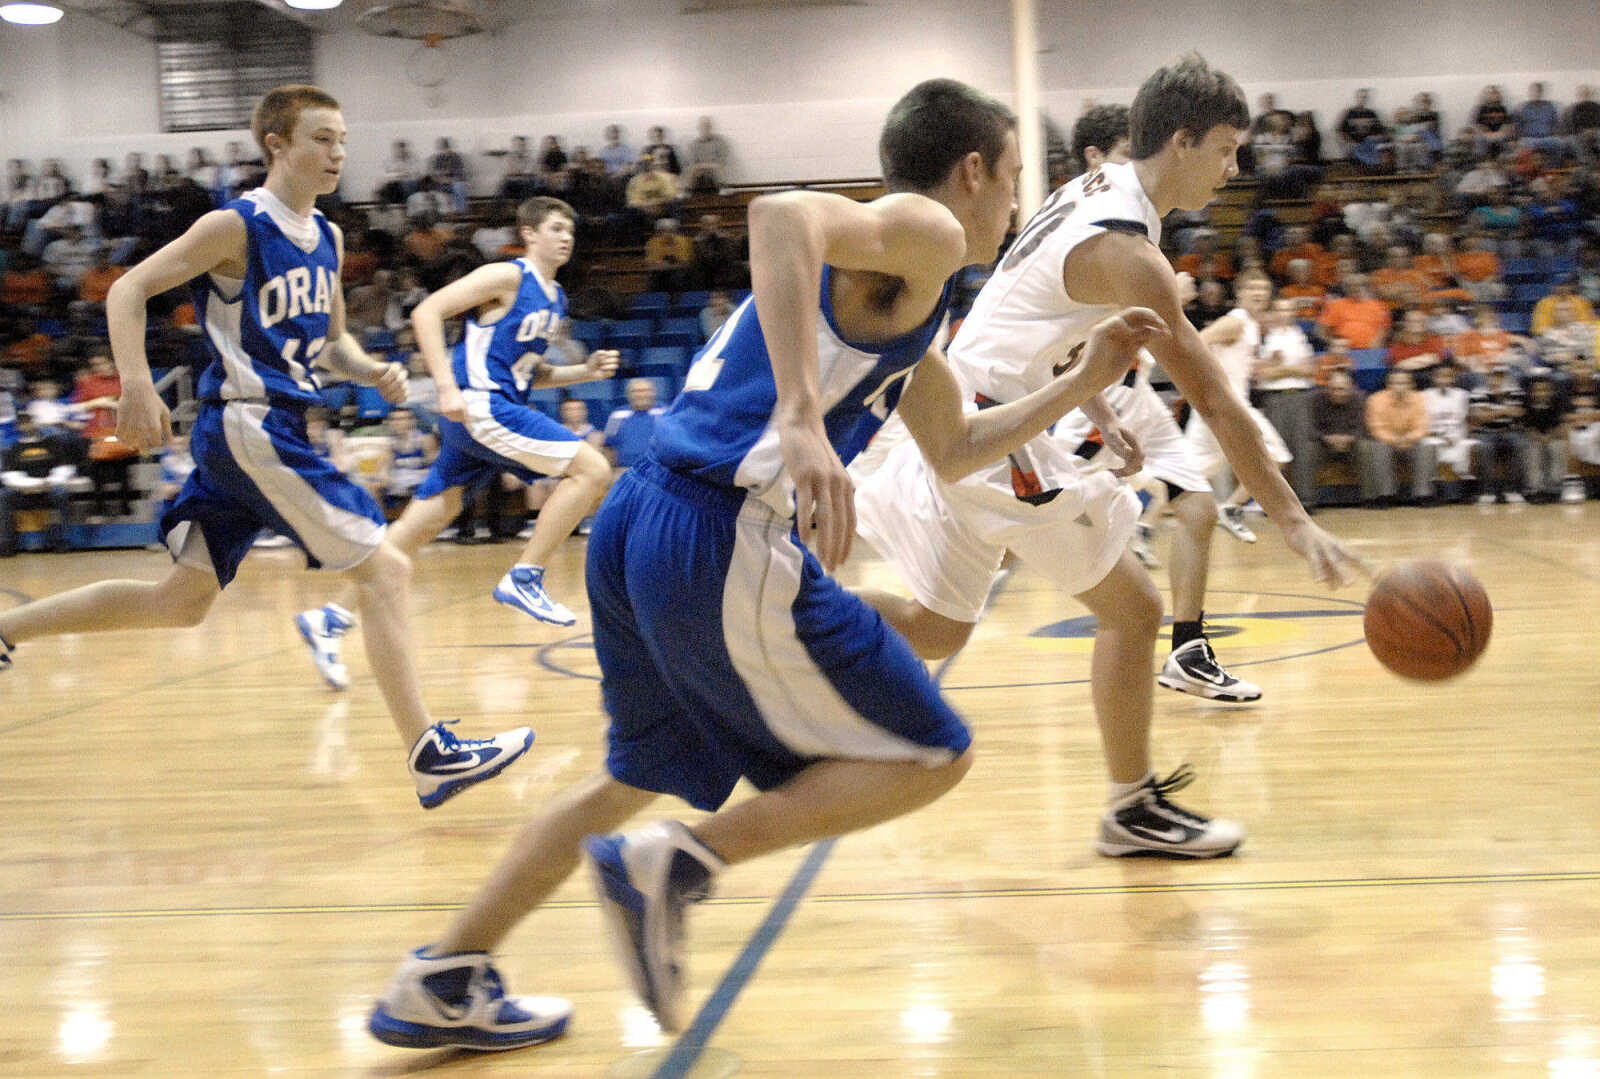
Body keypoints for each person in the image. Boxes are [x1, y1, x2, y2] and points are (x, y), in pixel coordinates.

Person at [366, 76, 1166, 1051]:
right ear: (972, 170)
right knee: (929, 751)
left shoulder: (900, 285)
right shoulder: (927, 228)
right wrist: (796, 411)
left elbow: (957, 443)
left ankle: (445, 970)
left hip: (637, 513)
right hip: (711, 524)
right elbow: (779, 213)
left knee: (633, 773)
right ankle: (681, 862)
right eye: (1010, 179)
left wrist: (1082, 382)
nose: (1012, 203)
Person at [852, 56, 1361, 874]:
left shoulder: (1095, 190)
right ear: (1184, 139)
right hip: (991, 426)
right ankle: (1132, 808)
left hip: (973, 402)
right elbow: (1216, 401)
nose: (1234, 171)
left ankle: (788, 615)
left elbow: (1031, 307)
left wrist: (1091, 405)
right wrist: (1294, 519)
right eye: (1226, 150)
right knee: (1134, 610)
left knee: (940, 628)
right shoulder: (1132, 250)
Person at [0, 85, 535, 808]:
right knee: (387, 572)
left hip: (263, 431)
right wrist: (134, 383)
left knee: (180, 601)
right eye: (321, 137)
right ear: (276, 143)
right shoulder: (237, 226)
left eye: (342, 138)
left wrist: (366, 366)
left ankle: (7, 629)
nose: (337, 151)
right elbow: (127, 289)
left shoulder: (333, 237)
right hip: (251, 425)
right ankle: (429, 753)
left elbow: (331, 339)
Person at [296, 195, 618, 692]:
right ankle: (525, 575)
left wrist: (584, 371)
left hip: (487, 410)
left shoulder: (555, 300)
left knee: (415, 530)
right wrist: (446, 385)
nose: (566, 236)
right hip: (480, 406)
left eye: (570, 230)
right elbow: (428, 312)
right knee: (592, 470)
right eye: (556, 227)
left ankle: (331, 618)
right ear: (530, 234)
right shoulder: (509, 277)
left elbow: (531, 374)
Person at [1048, 102, 1262, 701]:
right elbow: (1064, 350)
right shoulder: (1096, 222)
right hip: (1078, 398)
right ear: (1095, 159)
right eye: (1125, 153)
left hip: (1128, 390)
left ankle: (1188, 652)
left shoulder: (1137, 219)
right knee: (1007, 543)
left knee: (1198, 507)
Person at [1185, 271, 1295, 542]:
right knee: (1277, 457)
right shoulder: (1235, 321)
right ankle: (1231, 508)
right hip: (1229, 404)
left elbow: (1232, 360)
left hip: (1216, 406)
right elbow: (1195, 343)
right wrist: (1210, 382)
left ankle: (1139, 521)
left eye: (1264, 288)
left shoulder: (1251, 326)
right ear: (1240, 294)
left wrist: (1263, 367)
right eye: (1252, 288)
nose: (1259, 293)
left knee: (1191, 472)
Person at [1360, 367, 1436, 505]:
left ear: (1411, 385)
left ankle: (1423, 494)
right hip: (1386, 442)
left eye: (1403, 383)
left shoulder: (1419, 399)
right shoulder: (1376, 400)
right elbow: (1376, 428)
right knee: (1379, 447)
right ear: (1388, 385)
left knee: (1427, 446)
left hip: (1411, 441)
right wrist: (1395, 440)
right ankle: (1386, 495)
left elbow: (1422, 427)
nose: (1399, 387)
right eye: (1395, 383)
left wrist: (1408, 439)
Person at [601, 377, 665, 471]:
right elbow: (608, 447)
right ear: (628, 395)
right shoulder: (616, 415)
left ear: (653, 393)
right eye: (636, 391)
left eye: (644, 391)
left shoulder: (665, 414)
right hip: (625, 471)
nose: (641, 395)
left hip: (657, 470)